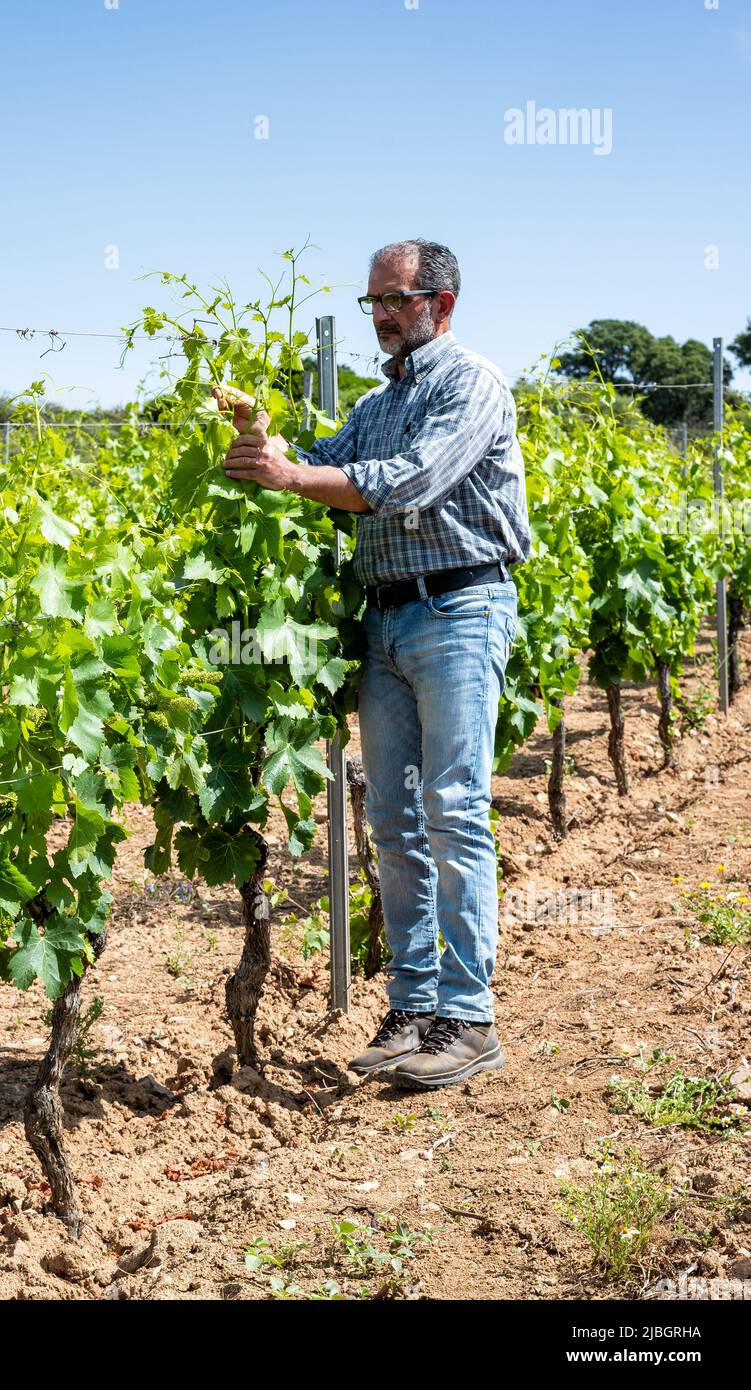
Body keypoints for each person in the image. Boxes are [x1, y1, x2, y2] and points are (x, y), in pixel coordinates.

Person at [212, 239, 531, 1089]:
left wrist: (291, 475)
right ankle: (415, 1007)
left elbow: (404, 480)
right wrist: (262, 438)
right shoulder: (378, 399)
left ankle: (468, 1019)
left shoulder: (470, 384)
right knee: (391, 815)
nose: (383, 315)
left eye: (397, 299)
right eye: (373, 303)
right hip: (384, 618)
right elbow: (329, 454)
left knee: (453, 811)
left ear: (443, 303)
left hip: (459, 609)